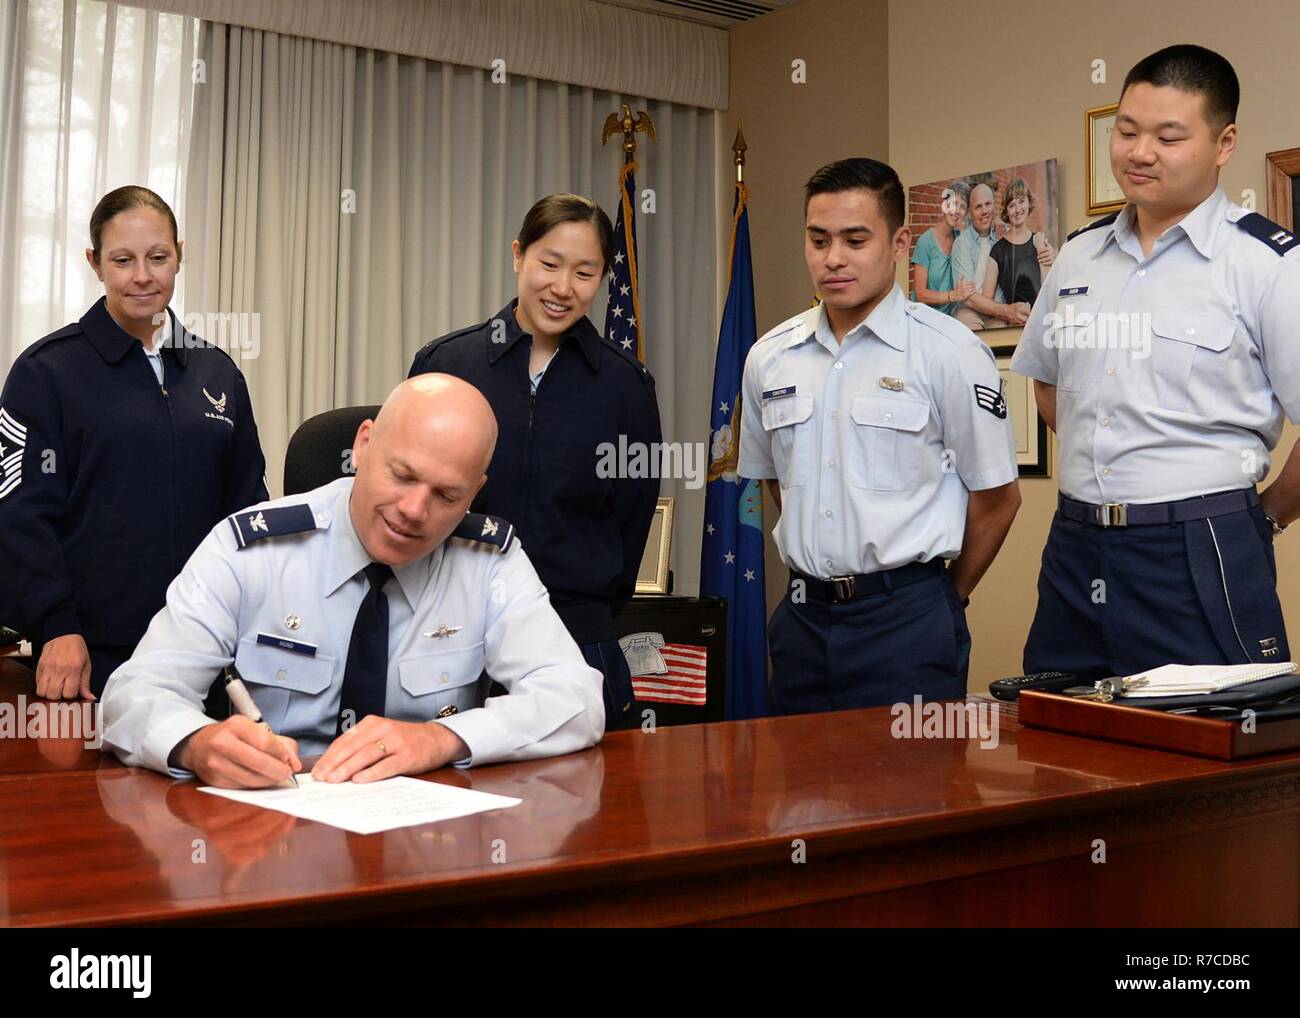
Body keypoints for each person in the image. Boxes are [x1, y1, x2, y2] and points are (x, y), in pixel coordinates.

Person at [101, 375, 605, 787]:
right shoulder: (252, 549)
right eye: (402, 476)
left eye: (447, 496)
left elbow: (575, 700)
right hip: (274, 826)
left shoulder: (490, 561)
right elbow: (133, 692)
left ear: (475, 493)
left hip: (425, 835)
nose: (413, 511)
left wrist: (441, 738)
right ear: (363, 445)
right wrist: (195, 742)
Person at [1011, 44, 1300, 680]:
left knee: (1214, 752)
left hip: (1204, 546)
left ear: (1224, 143)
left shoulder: (1268, 264)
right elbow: (1050, 386)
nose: (1140, 152)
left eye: (1169, 136)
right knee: (1062, 738)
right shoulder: (1079, 258)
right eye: (1127, 130)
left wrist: (1261, 519)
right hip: (1076, 545)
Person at [737, 157, 1021, 714]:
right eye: (818, 241)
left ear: (898, 243)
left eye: (854, 239)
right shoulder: (769, 357)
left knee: (911, 795)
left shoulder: (949, 352)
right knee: (797, 795)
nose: (833, 259)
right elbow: (779, 482)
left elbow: (997, 499)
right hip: (801, 620)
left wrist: (943, 597)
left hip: (906, 624)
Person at [0, 186, 267, 701]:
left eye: (158, 258)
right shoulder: (46, 373)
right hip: (88, 655)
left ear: (179, 257)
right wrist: (55, 624)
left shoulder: (218, 372)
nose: (142, 275)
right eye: (122, 260)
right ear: (95, 264)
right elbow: (18, 515)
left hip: (209, 648)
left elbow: (247, 511)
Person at [408, 194, 661, 730]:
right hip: (450, 634)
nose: (563, 287)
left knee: (586, 806)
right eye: (549, 264)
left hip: (576, 633)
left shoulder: (624, 386)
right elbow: (412, 492)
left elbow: (632, 520)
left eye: (585, 273)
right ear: (519, 255)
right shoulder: (447, 363)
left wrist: (589, 605)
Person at [983, 178, 1055, 323]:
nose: (1017, 210)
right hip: (1014, 322)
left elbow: (1049, 292)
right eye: (1011, 205)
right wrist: (1007, 313)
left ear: (1029, 202)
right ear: (1006, 212)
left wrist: (1042, 251)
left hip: (1042, 321)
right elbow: (986, 302)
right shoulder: (998, 251)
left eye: (1021, 201)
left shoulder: (1040, 242)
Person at [951, 181, 1014, 330]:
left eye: (988, 204)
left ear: (994, 206)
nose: (984, 210)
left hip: (996, 308)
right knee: (973, 338)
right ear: (970, 213)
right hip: (969, 310)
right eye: (978, 207)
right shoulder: (962, 243)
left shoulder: (1004, 236)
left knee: (1003, 339)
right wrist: (1006, 311)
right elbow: (969, 298)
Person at [911, 183, 974, 316]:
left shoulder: (961, 239)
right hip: (925, 318)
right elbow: (920, 294)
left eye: (963, 207)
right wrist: (952, 296)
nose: (957, 211)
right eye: (954, 203)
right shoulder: (925, 242)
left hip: (951, 318)